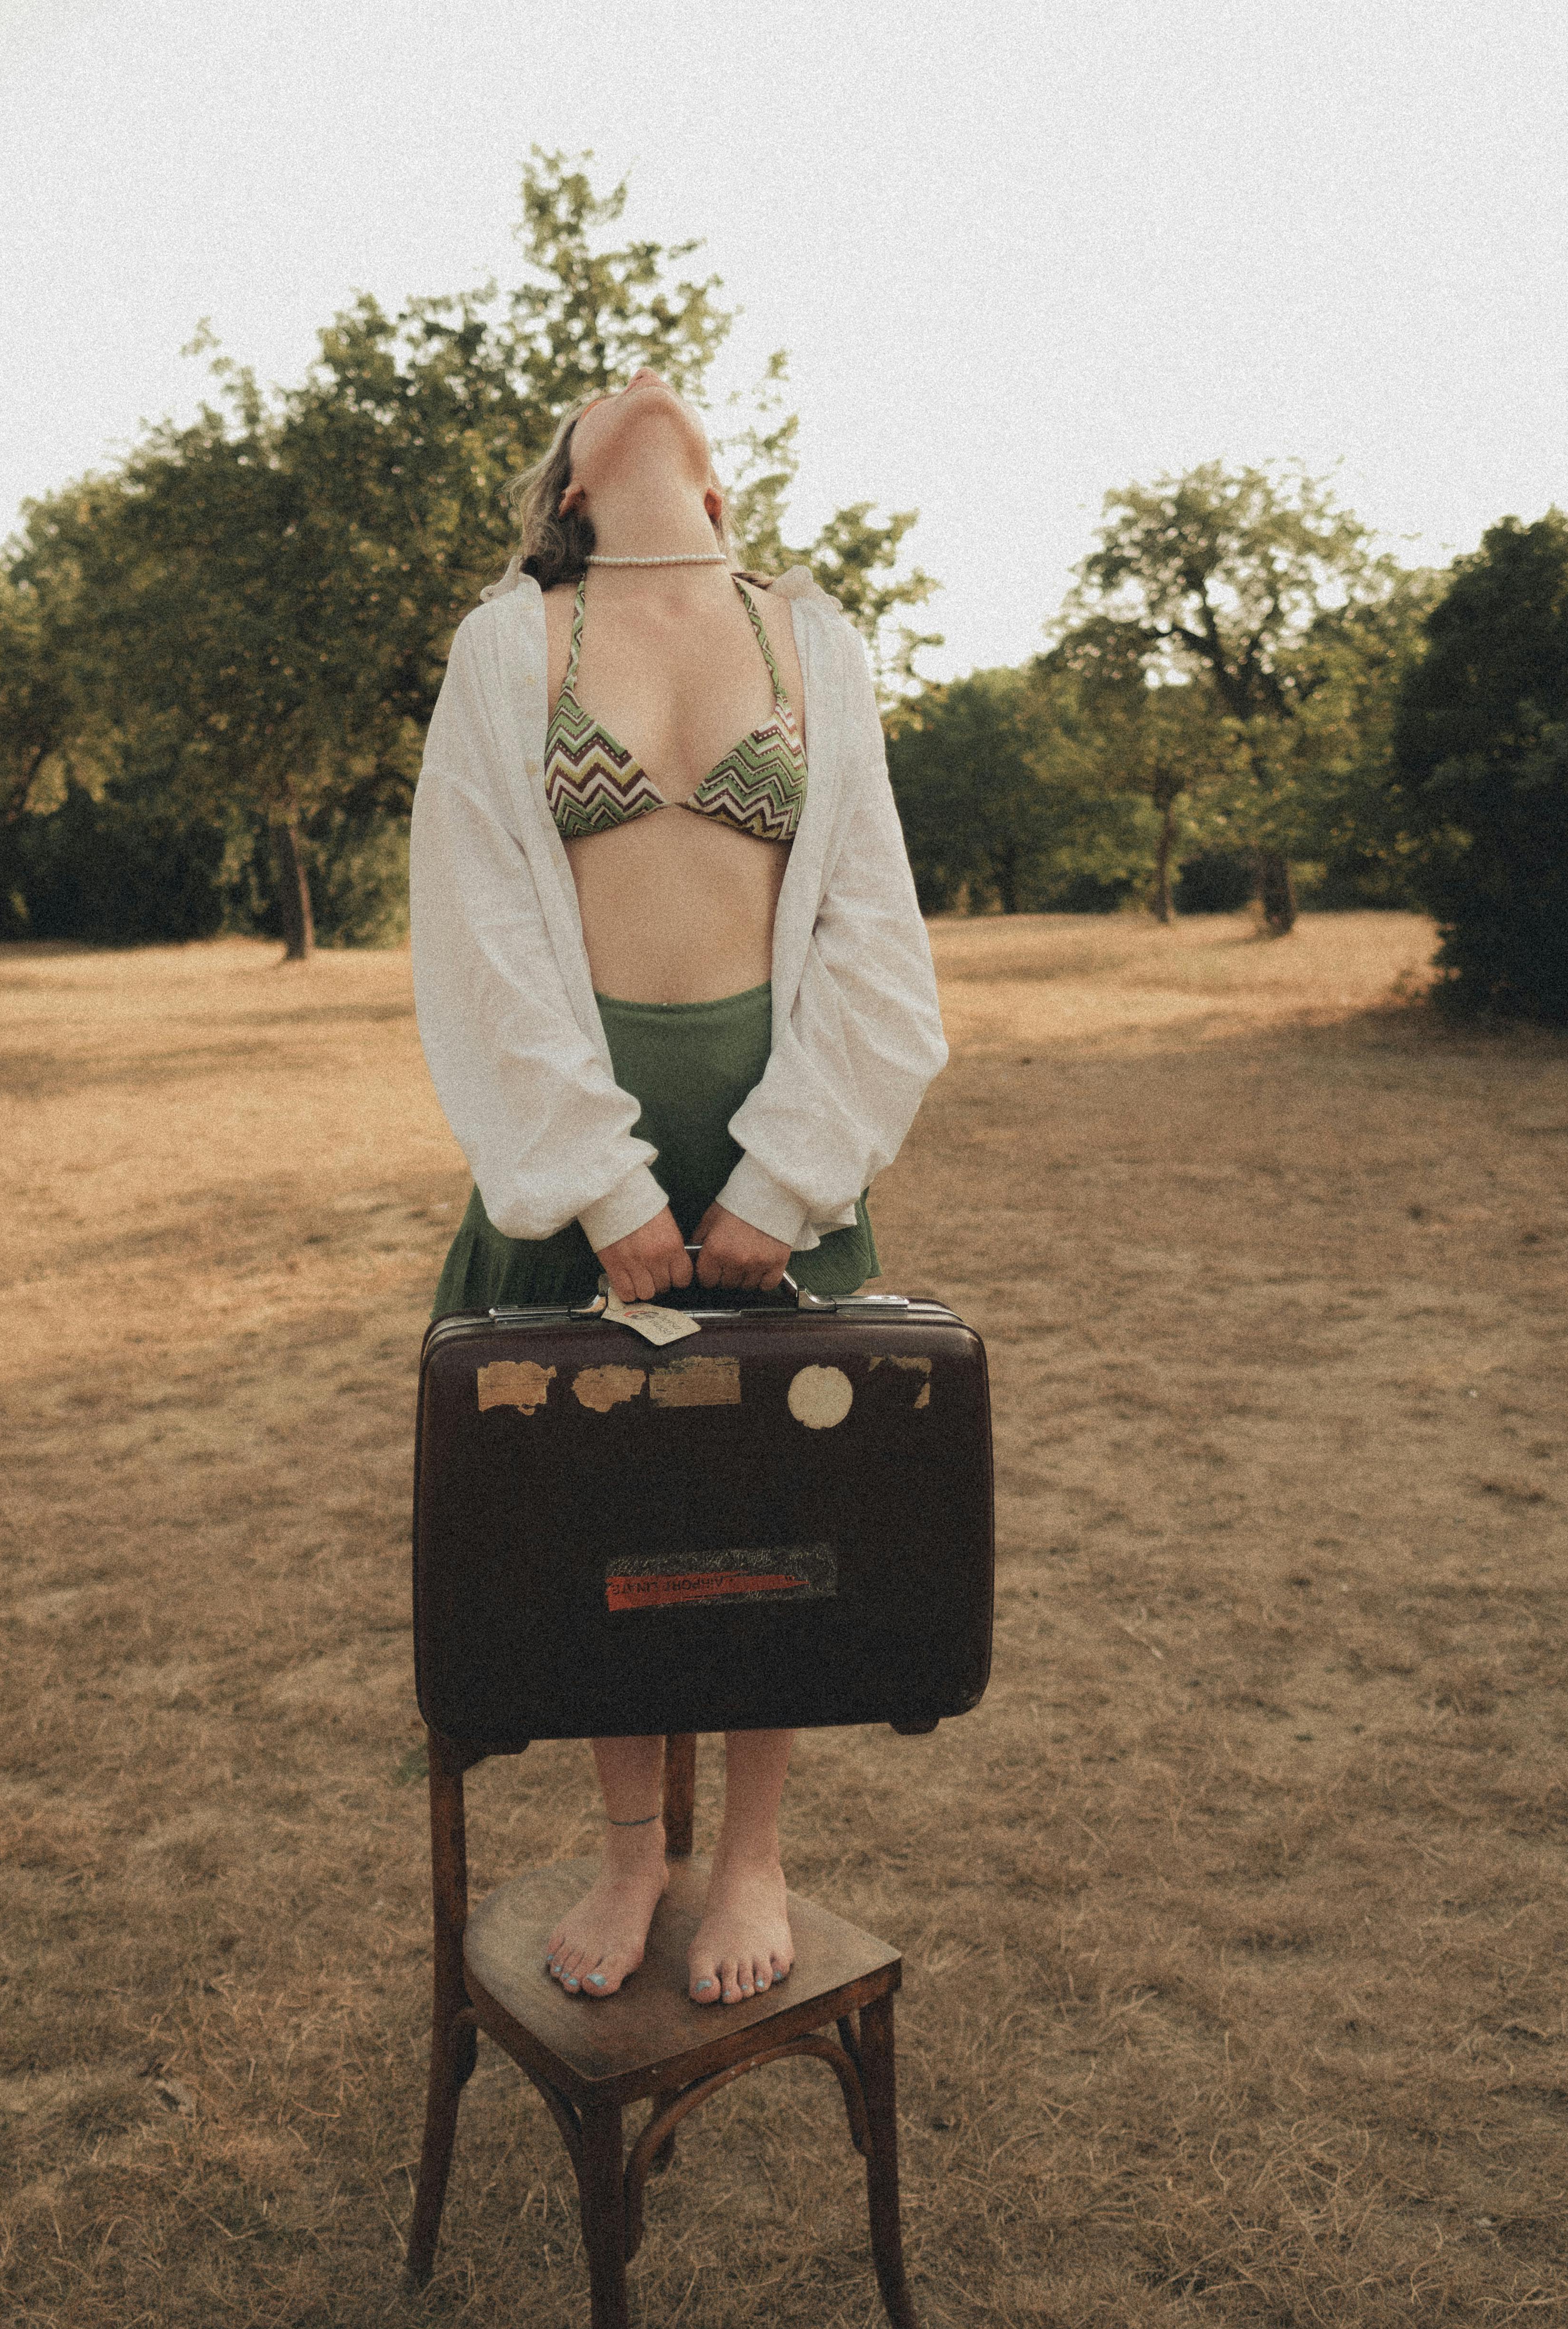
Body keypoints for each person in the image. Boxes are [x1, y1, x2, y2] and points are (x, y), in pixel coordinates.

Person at [408, 368, 947, 2010]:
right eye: (594, 402)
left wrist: (784, 1183)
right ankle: (636, 1849)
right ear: (570, 494)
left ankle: (754, 1857)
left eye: (669, 397)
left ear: (720, 495)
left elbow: (870, 919)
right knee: (606, 1530)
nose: (637, 391)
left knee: (782, 1524)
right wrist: (591, 1178)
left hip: (775, 1133)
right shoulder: (514, 644)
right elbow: (480, 916)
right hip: (587, 1159)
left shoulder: (814, 640)